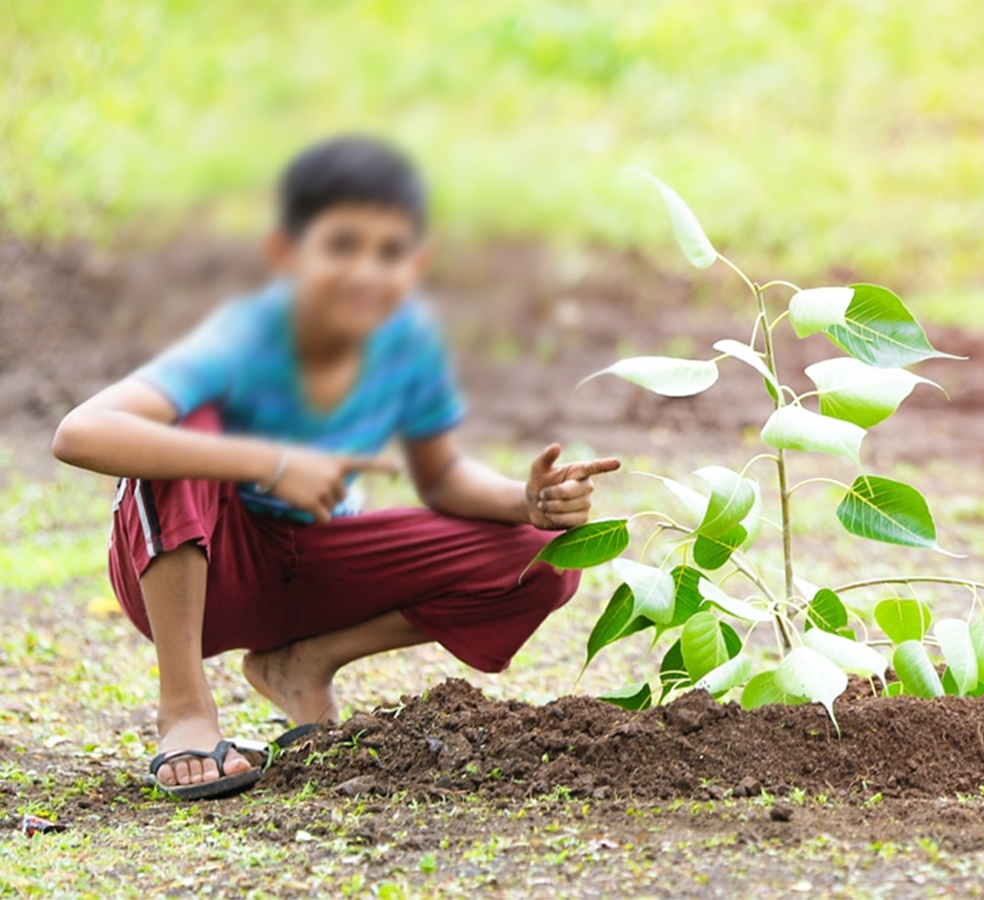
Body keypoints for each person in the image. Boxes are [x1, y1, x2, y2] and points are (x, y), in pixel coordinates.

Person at [51, 136, 619, 800]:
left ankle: (304, 662)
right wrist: (268, 461)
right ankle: (184, 708)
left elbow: (440, 479)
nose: (365, 272)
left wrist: (527, 504)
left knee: (549, 554)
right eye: (341, 246)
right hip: (205, 573)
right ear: (286, 256)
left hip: (312, 567)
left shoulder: (405, 350)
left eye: (389, 253)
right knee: (179, 423)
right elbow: (79, 432)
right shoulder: (240, 340)